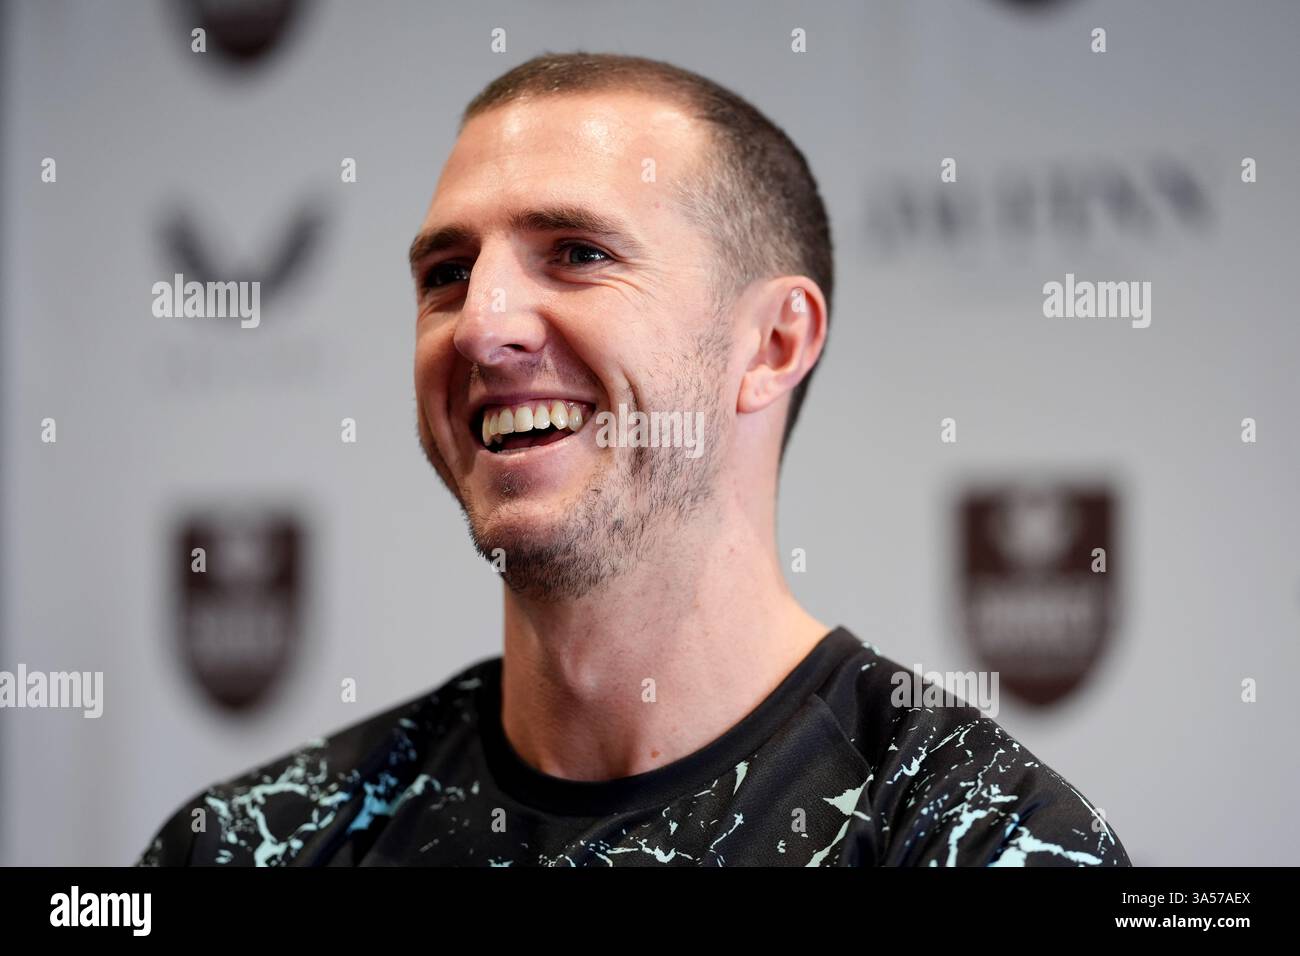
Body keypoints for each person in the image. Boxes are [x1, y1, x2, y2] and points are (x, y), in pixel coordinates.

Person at [137, 52, 1129, 867]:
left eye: (576, 252)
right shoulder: (248, 845)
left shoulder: (982, 839)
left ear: (773, 344)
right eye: (447, 273)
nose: (480, 326)